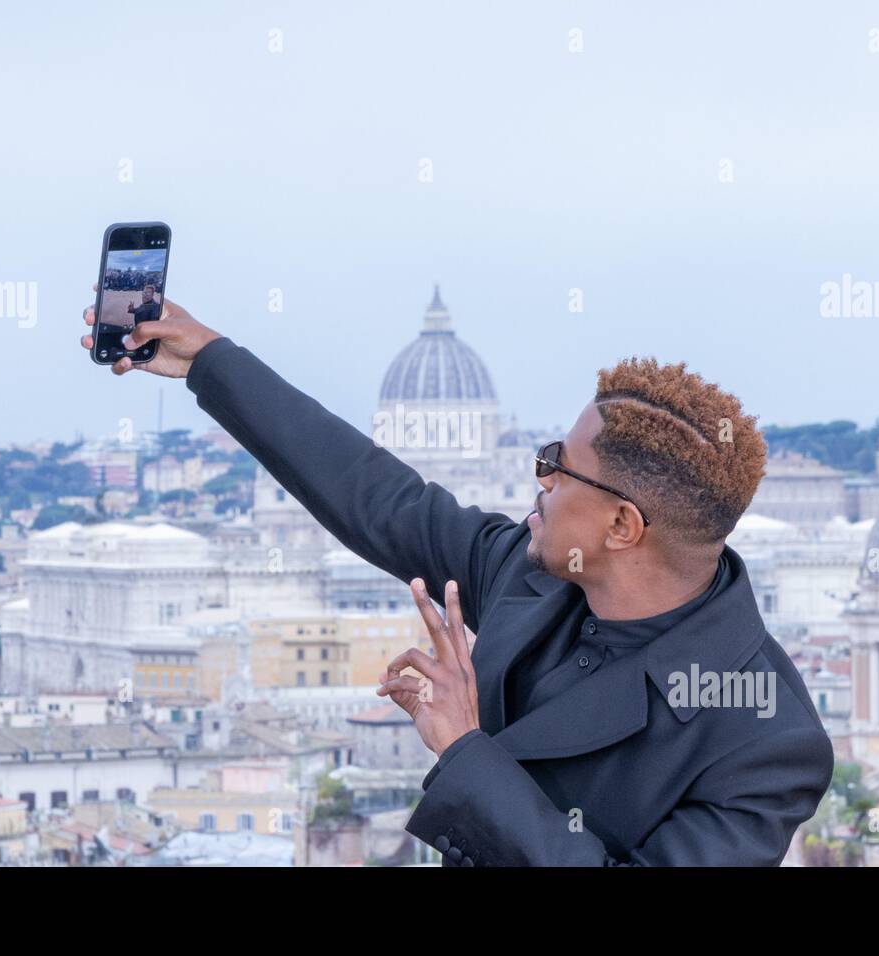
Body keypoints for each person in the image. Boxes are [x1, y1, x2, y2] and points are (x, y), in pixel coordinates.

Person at [79, 290, 834, 866]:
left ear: (622, 527)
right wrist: (207, 360)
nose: (536, 479)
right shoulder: (534, 574)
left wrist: (467, 750)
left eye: (556, 466)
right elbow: (379, 498)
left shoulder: (766, 738)